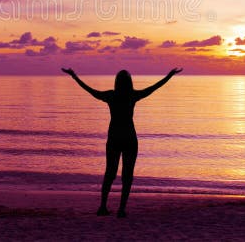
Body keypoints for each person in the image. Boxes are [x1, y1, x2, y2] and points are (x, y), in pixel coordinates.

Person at [61, 66, 182, 218]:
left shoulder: (111, 96)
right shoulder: (132, 95)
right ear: (129, 82)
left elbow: (90, 91)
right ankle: (121, 209)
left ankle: (103, 207)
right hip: (129, 138)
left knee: (110, 173)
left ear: (116, 82)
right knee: (127, 175)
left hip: (114, 138)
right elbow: (154, 87)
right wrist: (169, 75)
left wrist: (74, 76)